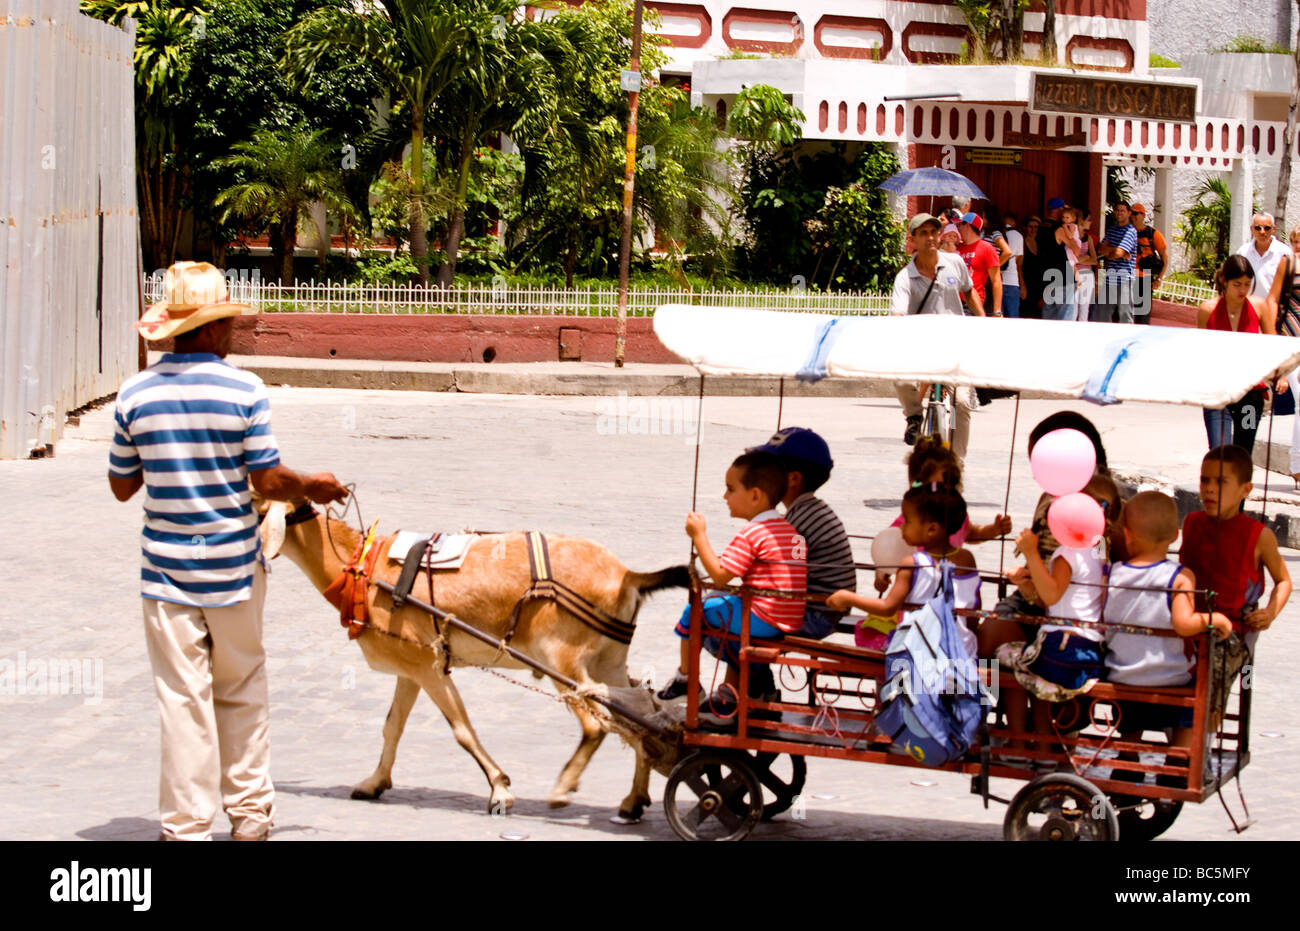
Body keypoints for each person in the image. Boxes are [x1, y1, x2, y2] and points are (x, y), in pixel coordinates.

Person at [108, 261, 349, 841]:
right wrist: (310, 485)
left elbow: (121, 487)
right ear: (213, 328)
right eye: (229, 322)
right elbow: (266, 481)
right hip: (235, 569)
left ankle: (187, 826)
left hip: (165, 576)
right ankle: (249, 816)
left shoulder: (134, 394)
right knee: (241, 689)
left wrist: (167, 458)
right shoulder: (245, 390)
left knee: (182, 699)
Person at [659, 452, 807, 712]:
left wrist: (699, 536)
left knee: (694, 611)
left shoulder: (753, 533)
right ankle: (742, 688)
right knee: (720, 606)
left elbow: (719, 574)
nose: (724, 497)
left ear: (755, 496)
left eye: (730, 489)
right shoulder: (789, 530)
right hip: (788, 617)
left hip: (763, 617)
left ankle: (686, 680)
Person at [1104, 491, 1232, 786]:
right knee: (1197, 688)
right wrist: (1215, 619)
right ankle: (1178, 755)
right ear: (1175, 536)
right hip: (1168, 678)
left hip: (1122, 675)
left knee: (1130, 718)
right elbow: (1184, 623)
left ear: (1128, 535)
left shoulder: (1114, 574)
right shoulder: (1179, 576)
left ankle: (1127, 757)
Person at [995, 471, 1121, 753]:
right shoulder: (1101, 549)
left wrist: (1030, 554)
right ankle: (1045, 748)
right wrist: (1027, 582)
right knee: (1034, 667)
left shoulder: (1068, 552)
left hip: (1060, 650)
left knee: (1006, 658)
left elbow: (1051, 594)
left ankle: (1018, 741)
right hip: (1088, 651)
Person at [827, 485, 980, 659]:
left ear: (932, 529)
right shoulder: (967, 559)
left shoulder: (912, 563)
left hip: (920, 658)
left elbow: (887, 607)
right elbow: (974, 610)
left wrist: (848, 598)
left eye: (907, 521)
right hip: (962, 655)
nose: (902, 528)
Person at [746, 427, 856, 642]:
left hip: (816, 614)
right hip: (825, 610)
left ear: (794, 479)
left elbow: (780, 572)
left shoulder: (800, 520)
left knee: (725, 620)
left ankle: (754, 674)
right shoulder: (808, 510)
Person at [889, 213, 984, 455]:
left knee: (962, 404)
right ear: (913, 240)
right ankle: (913, 416)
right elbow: (898, 316)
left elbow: (969, 291)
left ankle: (958, 462)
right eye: (923, 233)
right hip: (921, 347)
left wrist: (984, 322)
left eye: (934, 232)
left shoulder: (954, 263)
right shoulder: (905, 278)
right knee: (900, 379)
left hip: (955, 345)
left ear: (940, 235)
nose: (930, 237)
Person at [1179, 446, 1291, 649]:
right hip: (1188, 623)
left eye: (1221, 482)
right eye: (1205, 480)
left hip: (1232, 635)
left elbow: (1283, 581)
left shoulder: (1258, 535)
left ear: (1245, 490)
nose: (1209, 489)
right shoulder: (1191, 522)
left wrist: (1270, 612)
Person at [1196, 255, 1276, 451]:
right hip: (1218, 394)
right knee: (1219, 451)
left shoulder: (1258, 306)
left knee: (1242, 453)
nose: (1243, 290)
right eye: (1237, 284)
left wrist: (1279, 375)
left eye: (1248, 284)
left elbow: (1273, 342)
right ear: (1225, 281)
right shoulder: (1208, 309)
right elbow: (1200, 349)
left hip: (1250, 396)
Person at [1236, 212, 1292, 314]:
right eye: (1258, 228)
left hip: (1275, 312)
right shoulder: (1242, 252)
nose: (1262, 232)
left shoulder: (1284, 253)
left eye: (1267, 228)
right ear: (1251, 229)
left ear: (1273, 229)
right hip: (1248, 311)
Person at [1093, 201, 1138, 324]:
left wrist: (1113, 252)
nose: (1119, 213)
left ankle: (1127, 342)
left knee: (1125, 314)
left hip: (1124, 279)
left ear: (1129, 213)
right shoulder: (1112, 230)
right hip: (1109, 278)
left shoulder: (1130, 231)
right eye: (1117, 210)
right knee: (1103, 314)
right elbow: (1100, 250)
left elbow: (1117, 253)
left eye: (1122, 210)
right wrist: (1115, 251)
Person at [957, 211, 1002, 317]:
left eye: (959, 225)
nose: (957, 228)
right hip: (952, 301)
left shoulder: (986, 248)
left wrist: (997, 311)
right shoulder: (957, 247)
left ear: (967, 225)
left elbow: (996, 280)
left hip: (971, 304)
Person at [1130, 203, 1166, 323]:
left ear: (1143, 215)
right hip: (1127, 277)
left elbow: (1165, 258)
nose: (1133, 216)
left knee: (1142, 317)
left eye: (1136, 213)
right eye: (1131, 213)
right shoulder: (1126, 231)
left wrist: (1159, 279)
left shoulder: (1153, 234)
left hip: (1144, 279)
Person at [1037, 197, 1072, 321]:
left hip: (1047, 278)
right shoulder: (1059, 229)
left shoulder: (1040, 227)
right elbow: (1074, 247)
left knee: (1048, 319)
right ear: (1059, 210)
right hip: (1062, 278)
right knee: (1065, 319)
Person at [1073, 211, 1099, 322]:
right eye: (1088, 219)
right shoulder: (1072, 237)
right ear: (1081, 221)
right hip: (1074, 274)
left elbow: (1094, 260)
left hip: (1087, 275)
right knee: (1072, 308)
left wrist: (1078, 260)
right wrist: (1084, 258)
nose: (1090, 222)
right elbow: (1070, 259)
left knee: (1084, 308)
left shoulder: (1088, 238)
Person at [1001, 211, 1025, 318]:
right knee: (1013, 316)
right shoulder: (1019, 236)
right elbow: (1019, 262)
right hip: (1012, 281)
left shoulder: (997, 234)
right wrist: (1022, 284)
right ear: (1014, 223)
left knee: (997, 315)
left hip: (997, 280)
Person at [1020, 215, 1043, 319]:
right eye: (1030, 227)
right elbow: (1018, 265)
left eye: (1036, 227)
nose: (1033, 229)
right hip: (1027, 283)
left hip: (1039, 285)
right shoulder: (1022, 243)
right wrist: (1022, 285)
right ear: (1025, 228)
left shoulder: (1041, 243)